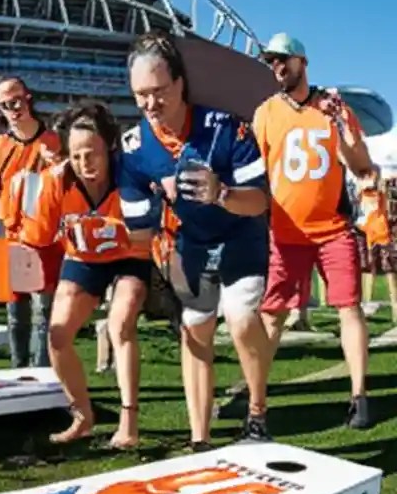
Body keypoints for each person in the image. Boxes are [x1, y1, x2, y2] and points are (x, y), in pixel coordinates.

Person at [118, 31, 273, 450]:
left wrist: (220, 192)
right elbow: (138, 230)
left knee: (241, 318)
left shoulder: (226, 128)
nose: (150, 104)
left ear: (181, 83)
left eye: (158, 91)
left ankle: (257, 413)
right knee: (195, 329)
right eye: (140, 95)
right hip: (189, 244)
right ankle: (199, 437)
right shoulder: (134, 148)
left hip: (240, 234)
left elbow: (259, 201)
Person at [253, 33, 374, 429]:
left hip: (333, 229)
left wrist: (348, 132)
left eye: (283, 59)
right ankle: (258, 399)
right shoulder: (266, 112)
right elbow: (255, 173)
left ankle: (359, 397)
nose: (276, 67)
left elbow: (361, 166)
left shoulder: (333, 107)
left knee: (348, 307)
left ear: (303, 61)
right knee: (271, 315)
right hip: (285, 231)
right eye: (271, 61)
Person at [21, 102, 151, 449]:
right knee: (58, 335)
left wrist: (108, 230)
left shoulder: (130, 175)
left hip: (130, 254)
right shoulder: (55, 180)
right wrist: (33, 190)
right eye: (76, 156)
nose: (84, 164)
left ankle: (129, 420)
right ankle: (82, 415)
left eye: (91, 153)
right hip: (83, 257)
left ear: (109, 147)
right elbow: (37, 234)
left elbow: (150, 233)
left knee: (120, 323)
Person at [0, 76, 62, 368]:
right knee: (15, 313)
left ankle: (43, 375)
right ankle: (17, 371)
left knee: (45, 312)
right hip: (11, 238)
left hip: (46, 238)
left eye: (17, 99)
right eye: (5, 103)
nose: (13, 107)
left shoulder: (53, 141)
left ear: (29, 97)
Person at [358, 175, 396, 310]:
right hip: (371, 231)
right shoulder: (367, 192)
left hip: (381, 232)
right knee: (370, 268)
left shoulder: (380, 192)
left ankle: (394, 305)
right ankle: (367, 302)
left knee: (389, 270)